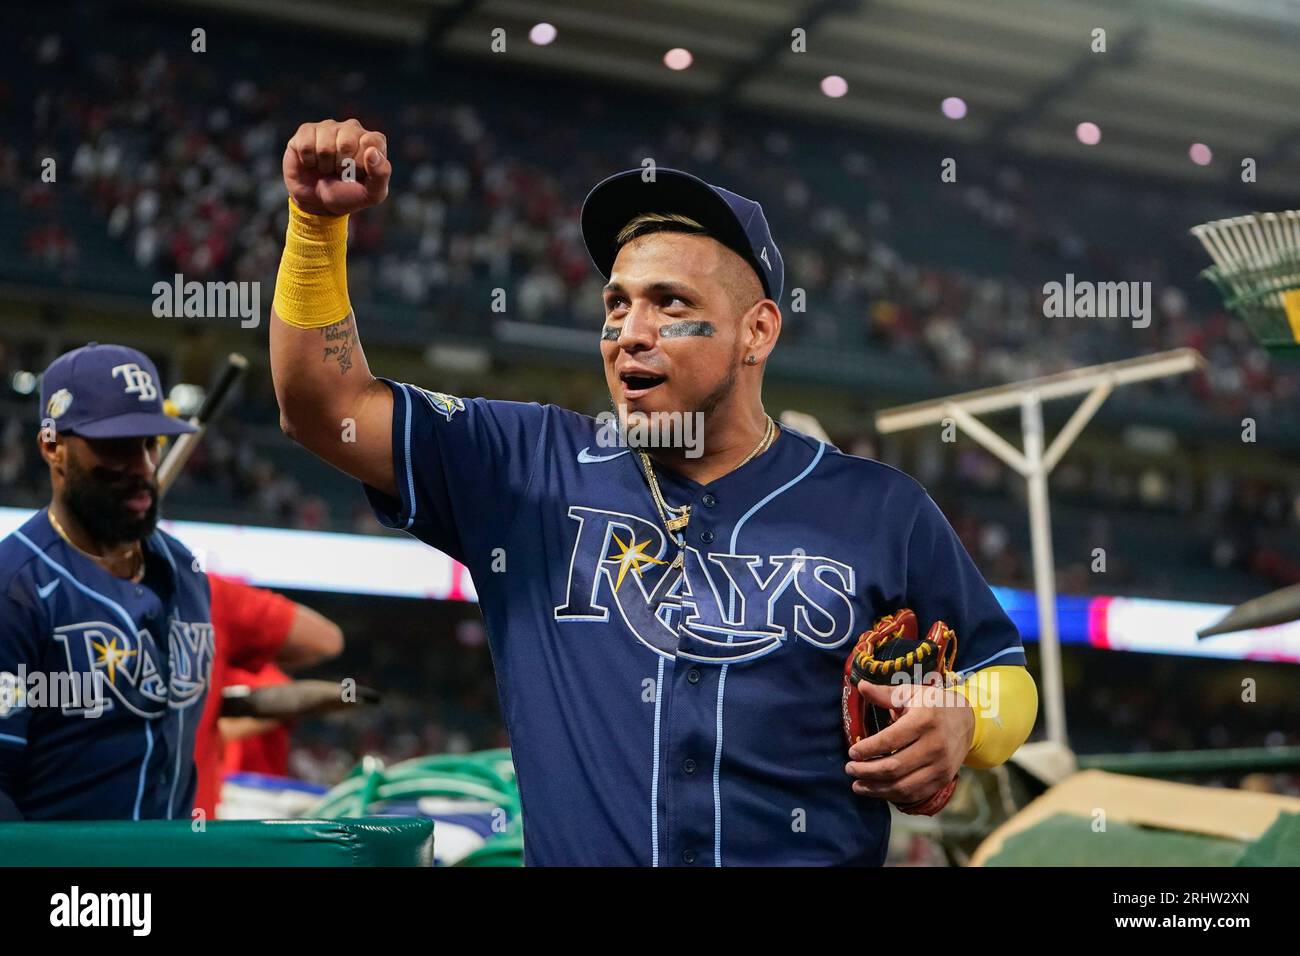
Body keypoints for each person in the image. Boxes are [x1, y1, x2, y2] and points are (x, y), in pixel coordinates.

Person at [266, 119, 1039, 865]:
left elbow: (1002, 671)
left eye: (671, 305)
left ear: (757, 333)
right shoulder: (528, 467)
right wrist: (313, 228)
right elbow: (322, 409)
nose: (630, 331)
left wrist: (965, 722)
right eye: (616, 304)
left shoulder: (879, 507)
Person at [0, 344, 211, 820]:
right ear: (52, 446)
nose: (141, 468)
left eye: (149, 442)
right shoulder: (14, 589)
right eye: (116, 446)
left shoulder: (187, 573)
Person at [191, 573, 343, 818]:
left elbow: (288, 699)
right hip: (224, 786)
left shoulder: (250, 668)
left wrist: (218, 728)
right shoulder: (197, 659)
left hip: (258, 789)